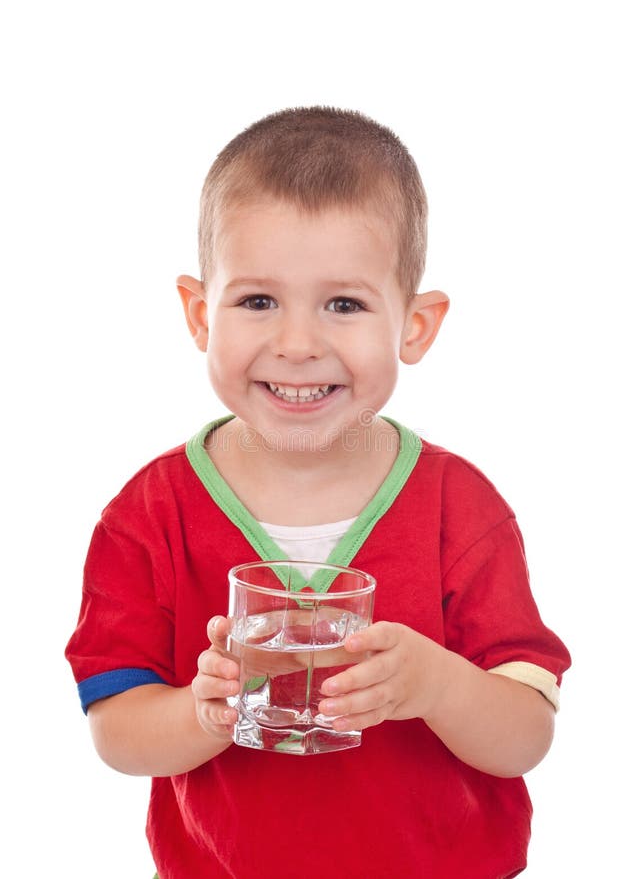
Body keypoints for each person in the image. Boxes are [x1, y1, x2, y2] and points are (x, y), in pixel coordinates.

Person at [65, 106, 571, 879]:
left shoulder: (460, 508)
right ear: (200, 314)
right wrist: (205, 711)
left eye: (344, 304)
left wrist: (437, 684)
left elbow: (526, 738)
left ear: (415, 326)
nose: (298, 345)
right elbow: (117, 732)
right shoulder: (148, 516)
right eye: (257, 301)